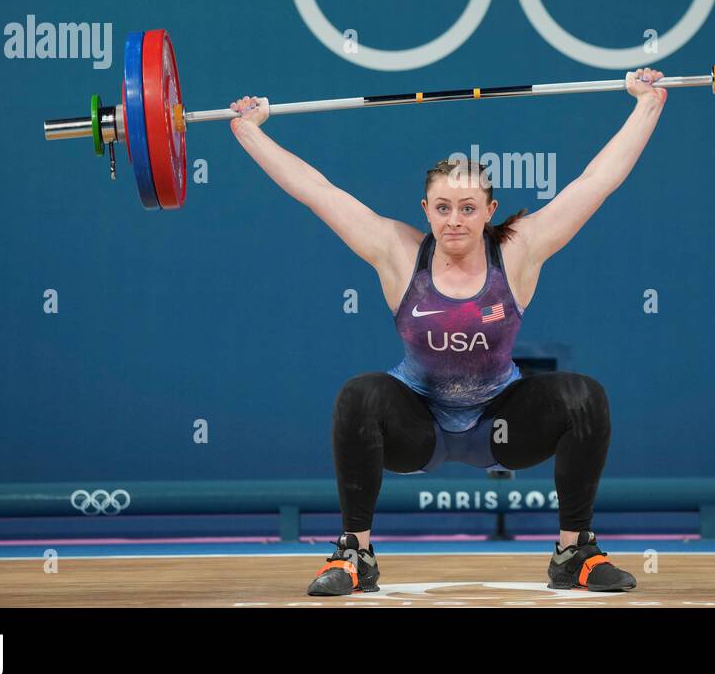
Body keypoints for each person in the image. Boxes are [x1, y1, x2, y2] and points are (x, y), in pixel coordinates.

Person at [227, 67, 668, 595]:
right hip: (418, 427)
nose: (454, 220)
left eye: (467, 208)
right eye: (442, 208)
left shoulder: (521, 250)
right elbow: (316, 191)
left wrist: (647, 104)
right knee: (359, 396)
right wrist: (250, 130)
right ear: (425, 210)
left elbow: (597, 181)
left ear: (489, 211)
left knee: (584, 398)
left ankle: (574, 552)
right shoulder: (395, 250)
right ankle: (355, 554)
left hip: (500, 423)